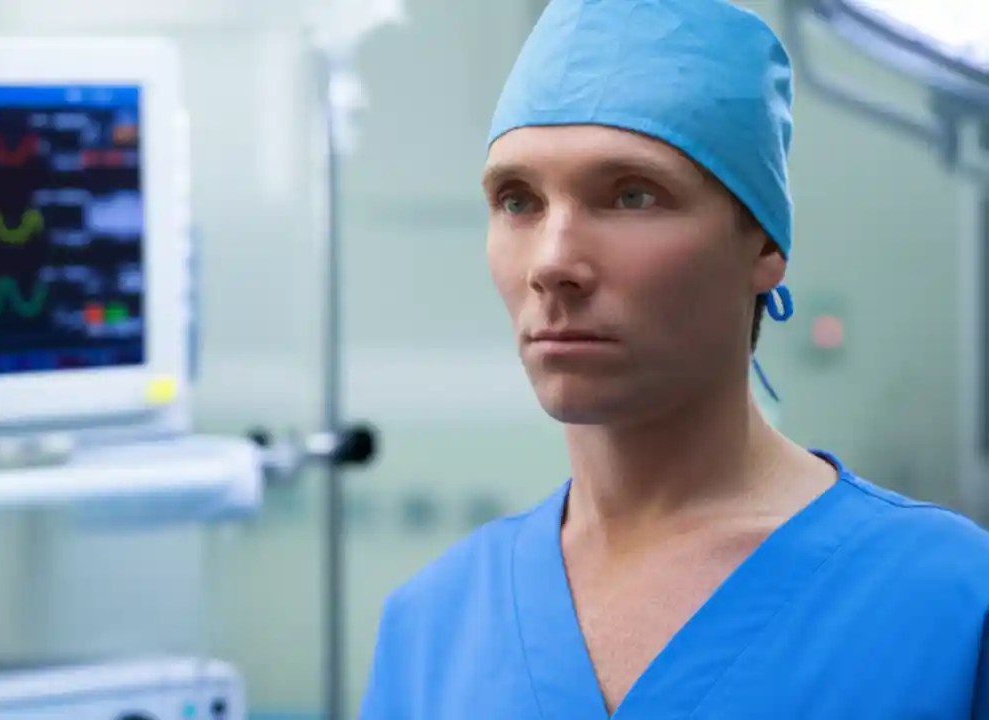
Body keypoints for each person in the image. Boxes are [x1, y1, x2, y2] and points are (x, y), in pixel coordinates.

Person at [360, 0, 989, 718]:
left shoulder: (948, 607)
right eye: (518, 200)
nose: (552, 262)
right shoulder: (433, 629)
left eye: (632, 195)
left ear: (764, 243)